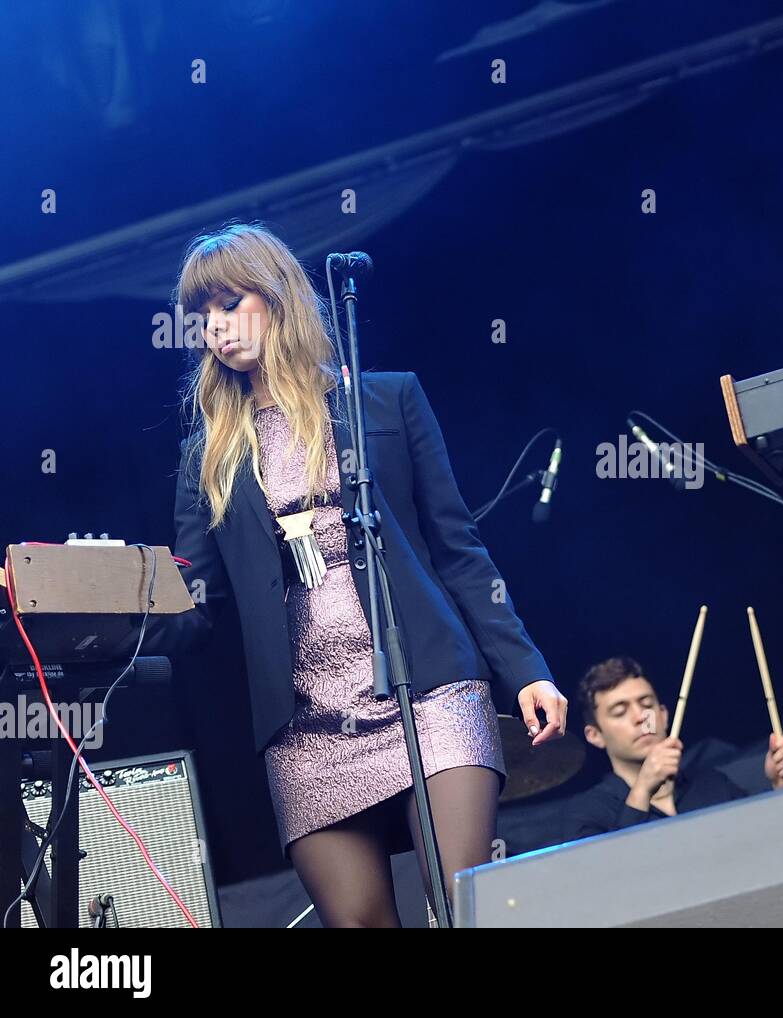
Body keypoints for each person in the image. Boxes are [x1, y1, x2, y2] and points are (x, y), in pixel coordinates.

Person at [132, 222, 567, 927]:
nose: (216, 327)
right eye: (202, 315)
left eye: (230, 302)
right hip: (306, 729)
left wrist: (526, 670)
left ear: (276, 297)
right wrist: (102, 615)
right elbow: (196, 604)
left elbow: (459, 549)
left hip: (428, 692)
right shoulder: (205, 457)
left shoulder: (388, 401)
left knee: (467, 908)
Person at [566, 656, 783, 839]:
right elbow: (609, 881)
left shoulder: (713, 786)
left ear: (663, 716)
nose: (641, 717)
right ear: (595, 735)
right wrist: (642, 792)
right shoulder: (589, 812)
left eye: (647, 704)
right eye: (620, 712)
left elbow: (765, 849)